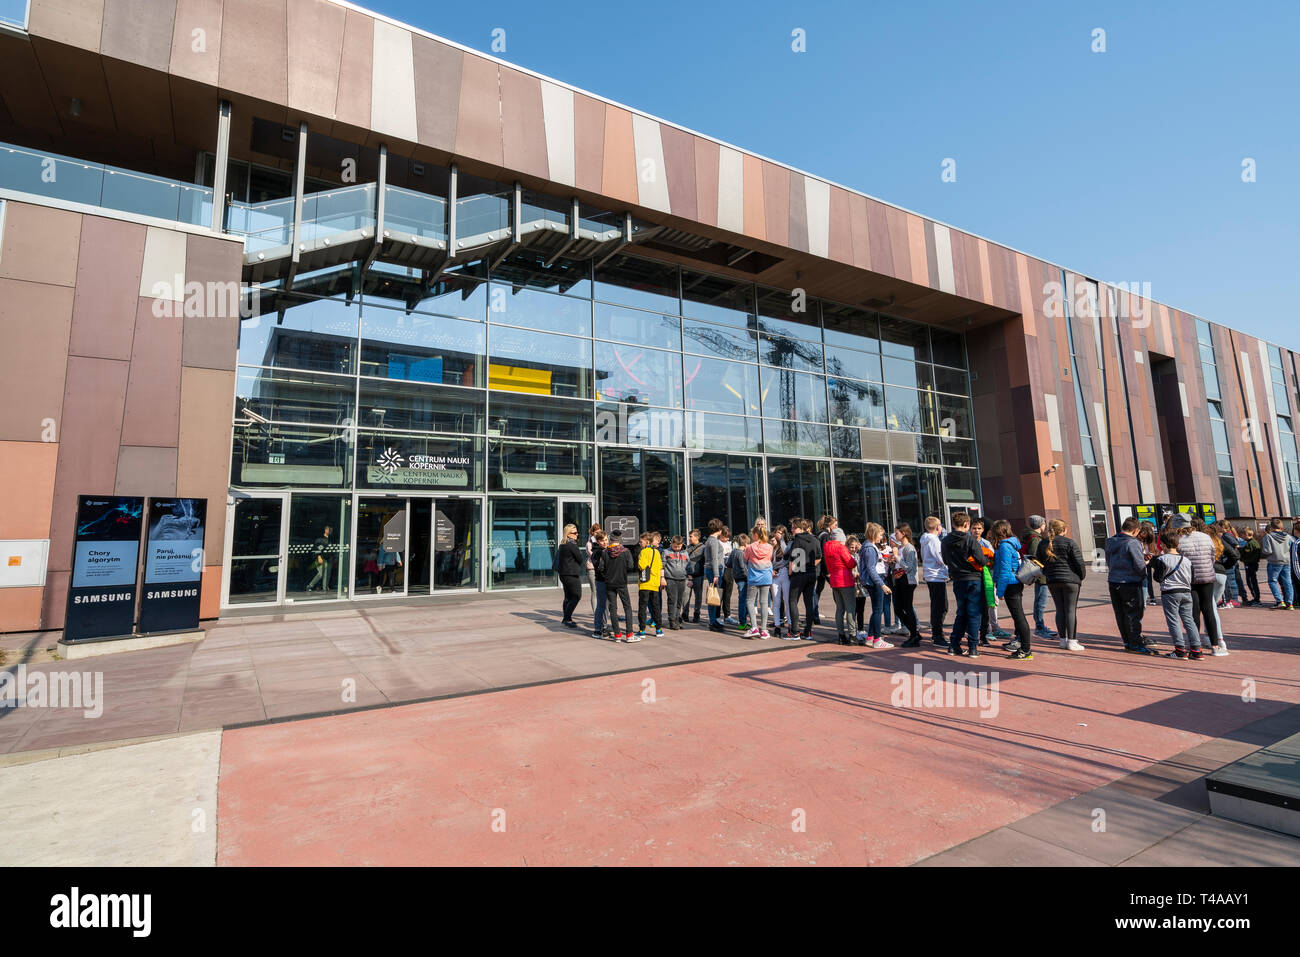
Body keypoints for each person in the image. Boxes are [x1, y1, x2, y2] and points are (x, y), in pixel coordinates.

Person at [1172, 513, 1223, 654]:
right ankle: (1215, 646)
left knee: (1193, 612)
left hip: (1190, 579)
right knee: (1209, 610)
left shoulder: (1179, 541)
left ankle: (1195, 644)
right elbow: (1212, 556)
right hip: (1207, 576)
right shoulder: (1205, 537)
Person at [1149, 529, 1204, 660]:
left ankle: (1180, 650)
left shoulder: (1162, 559)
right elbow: (1192, 578)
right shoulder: (1187, 560)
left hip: (1170, 592)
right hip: (1186, 592)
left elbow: (1158, 578)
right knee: (1189, 620)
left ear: (1163, 544)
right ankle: (1196, 649)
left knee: (1173, 620)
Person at [1105, 517, 1156, 654]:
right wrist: (1144, 569)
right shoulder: (1132, 542)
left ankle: (1127, 642)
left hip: (1114, 580)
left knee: (1120, 614)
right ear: (1135, 530)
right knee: (1133, 614)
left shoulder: (1110, 541)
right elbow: (1139, 565)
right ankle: (1135, 644)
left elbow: (1109, 561)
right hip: (1130, 582)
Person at [941, 512, 988, 657]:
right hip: (973, 578)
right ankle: (973, 647)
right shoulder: (970, 539)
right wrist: (987, 560)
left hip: (957, 579)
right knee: (974, 613)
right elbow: (981, 560)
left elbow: (945, 560)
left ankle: (954, 645)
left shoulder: (945, 540)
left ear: (953, 524)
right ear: (967, 525)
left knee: (961, 612)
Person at [1036, 519, 1086, 650]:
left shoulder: (1043, 543)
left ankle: (1062, 640)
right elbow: (1079, 563)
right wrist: (1081, 576)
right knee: (1070, 610)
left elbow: (1039, 562)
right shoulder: (1069, 543)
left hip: (1052, 579)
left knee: (1060, 609)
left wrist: (1048, 572)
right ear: (1063, 530)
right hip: (1070, 580)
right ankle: (1072, 641)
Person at [990, 519, 1032, 659]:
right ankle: (1023, 645)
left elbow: (1005, 571)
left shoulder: (1004, 547)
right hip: (1014, 583)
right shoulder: (1011, 543)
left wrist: (1000, 592)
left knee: (1019, 617)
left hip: (1010, 584)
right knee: (1018, 616)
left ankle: (1025, 650)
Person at [786, 518, 822, 640]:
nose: (792, 530)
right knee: (808, 603)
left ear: (801, 528)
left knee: (792, 601)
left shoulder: (797, 539)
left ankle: (795, 632)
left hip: (799, 574)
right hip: (811, 573)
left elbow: (793, 560)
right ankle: (808, 632)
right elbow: (818, 557)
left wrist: (791, 573)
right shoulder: (814, 539)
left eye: (793, 528)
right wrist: (810, 565)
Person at [858, 523, 893, 648]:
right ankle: (877, 639)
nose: (882, 537)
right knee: (878, 610)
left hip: (874, 580)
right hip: (875, 581)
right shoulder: (869, 548)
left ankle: (871, 636)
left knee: (877, 610)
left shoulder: (869, 547)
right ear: (874, 534)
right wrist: (882, 584)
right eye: (880, 534)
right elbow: (871, 569)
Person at [1022, 515, 1057, 641]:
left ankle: (1041, 626)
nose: (1045, 526)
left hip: (1040, 574)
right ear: (1041, 524)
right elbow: (1034, 558)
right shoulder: (1035, 539)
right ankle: (1039, 628)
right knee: (1040, 602)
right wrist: (1044, 568)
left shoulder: (1033, 537)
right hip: (1040, 574)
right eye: (1044, 523)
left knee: (1041, 601)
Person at [598, 530, 637, 641]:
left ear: (611, 539)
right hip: (621, 582)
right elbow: (630, 566)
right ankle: (629, 634)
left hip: (609, 583)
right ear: (619, 540)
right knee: (627, 607)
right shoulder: (625, 551)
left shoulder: (605, 552)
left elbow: (601, 568)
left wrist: (607, 576)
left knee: (613, 608)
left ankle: (617, 635)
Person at [823, 528, 859, 645]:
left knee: (839, 609)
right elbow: (851, 563)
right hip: (845, 580)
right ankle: (852, 635)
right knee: (850, 608)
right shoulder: (841, 547)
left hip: (834, 580)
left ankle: (841, 635)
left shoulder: (827, 547)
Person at [920, 516, 949, 647]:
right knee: (941, 607)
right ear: (937, 527)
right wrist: (949, 567)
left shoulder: (925, 539)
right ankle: (937, 635)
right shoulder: (933, 540)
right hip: (936, 576)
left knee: (938, 606)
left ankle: (936, 633)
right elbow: (940, 557)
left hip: (932, 575)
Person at [891, 525, 922, 647]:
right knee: (898, 608)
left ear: (903, 533)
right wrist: (893, 561)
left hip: (907, 581)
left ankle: (914, 636)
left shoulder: (909, 548)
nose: (895, 535)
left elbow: (910, 567)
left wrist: (897, 557)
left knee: (907, 607)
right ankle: (914, 632)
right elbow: (899, 564)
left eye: (897, 533)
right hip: (898, 579)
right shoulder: (900, 547)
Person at [743, 526, 775, 638]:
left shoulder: (750, 547)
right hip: (766, 577)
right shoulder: (770, 547)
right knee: (764, 603)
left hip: (753, 578)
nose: (752, 536)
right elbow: (771, 559)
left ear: (756, 535)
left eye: (753, 534)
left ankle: (754, 627)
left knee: (750, 601)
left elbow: (745, 559)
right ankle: (764, 630)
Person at [554, 524, 586, 628]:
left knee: (568, 597)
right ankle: (567, 618)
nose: (577, 534)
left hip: (563, 574)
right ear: (568, 534)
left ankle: (566, 618)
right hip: (571, 574)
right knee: (577, 596)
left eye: (577, 532)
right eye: (574, 533)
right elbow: (580, 559)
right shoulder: (572, 545)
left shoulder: (562, 544)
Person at [636, 532, 664, 638]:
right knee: (656, 607)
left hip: (645, 583)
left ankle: (642, 630)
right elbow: (660, 566)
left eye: (641, 541)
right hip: (655, 583)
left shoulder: (643, 552)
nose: (640, 543)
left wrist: (639, 558)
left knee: (642, 607)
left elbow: (642, 565)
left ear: (647, 542)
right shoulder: (657, 552)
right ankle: (659, 629)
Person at [1262, 518, 1295, 609]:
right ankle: (1290, 603)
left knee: (1272, 581)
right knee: (1288, 582)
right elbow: (1293, 545)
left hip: (1274, 561)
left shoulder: (1268, 537)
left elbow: (1267, 551)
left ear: (1271, 527)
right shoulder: (1288, 536)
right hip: (1287, 561)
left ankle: (1280, 601)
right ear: (1281, 526)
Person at [704, 519, 728, 633]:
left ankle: (714, 620)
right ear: (719, 530)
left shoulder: (710, 540)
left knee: (714, 596)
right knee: (713, 597)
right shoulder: (713, 541)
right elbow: (714, 558)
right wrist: (716, 575)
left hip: (713, 570)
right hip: (714, 570)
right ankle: (713, 622)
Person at [661, 535, 690, 630]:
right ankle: (672, 621)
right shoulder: (666, 552)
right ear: (671, 544)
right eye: (675, 546)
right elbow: (662, 566)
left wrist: (690, 578)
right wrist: (662, 578)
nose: (677, 548)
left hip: (682, 579)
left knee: (679, 601)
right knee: (672, 600)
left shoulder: (685, 553)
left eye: (679, 546)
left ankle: (677, 619)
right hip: (670, 579)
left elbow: (688, 566)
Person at [770, 525, 792, 638]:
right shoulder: (773, 545)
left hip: (785, 573)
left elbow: (786, 552)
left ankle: (790, 625)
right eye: (777, 532)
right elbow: (767, 559)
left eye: (781, 532)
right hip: (775, 575)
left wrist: (782, 539)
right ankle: (777, 626)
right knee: (776, 601)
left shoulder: (788, 544)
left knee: (788, 601)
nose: (778, 534)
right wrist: (770, 570)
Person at [729, 533, 751, 630]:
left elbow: (728, 563)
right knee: (743, 600)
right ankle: (742, 622)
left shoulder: (734, 551)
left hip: (737, 578)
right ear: (746, 544)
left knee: (743, 599)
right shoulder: (741, 553)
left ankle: (743, 621)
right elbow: (743, 568)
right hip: (743, 578)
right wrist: (749, 577)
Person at [589, 530, 608, 638]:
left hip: (605, 580)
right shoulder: (598, 552)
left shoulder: (604, 550)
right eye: (603, 540)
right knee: (602, 605)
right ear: (598, 541)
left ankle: (602, 627)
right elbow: (600, 568)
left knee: (606, 605)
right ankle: (598, 629)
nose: (605, 542)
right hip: (601, 581)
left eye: (606, 540)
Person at [686, 528, 706, 623]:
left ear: (697, 537)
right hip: (688, 576)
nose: (689, 538)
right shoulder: (687, 547)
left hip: (698, 575)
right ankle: (685, 614)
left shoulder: (703, 548)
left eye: (691, 536)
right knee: (686, 596)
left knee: (698, 596)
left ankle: (696, 614)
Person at [1138, 521, 1159, 606]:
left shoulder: (1153, 537)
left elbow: (1157, 549)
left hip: (1153, 557)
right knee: (1147, 579)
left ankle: (1157, 596)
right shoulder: (1140, 539)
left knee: (1159, 576)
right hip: (1145, 558)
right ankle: (1152, 597)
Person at [305, 525, 333, 592]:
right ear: (325, 530)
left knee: (327, 574)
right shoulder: (320, 539)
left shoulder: (330, 539)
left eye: (331, 530)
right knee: (321, 573)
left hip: (328, 559)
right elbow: (316, 548)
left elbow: (331, 549)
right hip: (321, 558)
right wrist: (319, 556)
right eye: (329, 530)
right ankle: (309, 586)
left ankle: (325, 587)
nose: (330, 531)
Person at [1240, 525, 1262, 606]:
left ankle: (1257, 599)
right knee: (1251, 581)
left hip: (1251, 564)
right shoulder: (1251, 543)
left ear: (1246, 534)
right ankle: (1255, 598)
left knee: (1252, 582)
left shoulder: (1251, 543)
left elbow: (1250, 554)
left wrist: (1242, 555)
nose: (1241, 536)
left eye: (1242, 535)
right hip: (1250, 564)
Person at [720, 527, 737, 624]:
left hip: (729, 570)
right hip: (721, 569)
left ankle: (727, 615)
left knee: (728, 594)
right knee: (719, 594)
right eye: (724, 536)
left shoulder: (730, 544)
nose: (726, 539)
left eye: (727, 537)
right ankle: (717, 616)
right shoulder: (718, 543)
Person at [584, 523, 602, 614]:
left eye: (600, 532)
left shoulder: (602, 542)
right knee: (594, 591)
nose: (598, 534)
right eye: (596, 532)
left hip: (601, 569)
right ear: (593, 533)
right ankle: (596, 613)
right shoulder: (589, 544)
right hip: (592, 568)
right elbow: (593, 556)